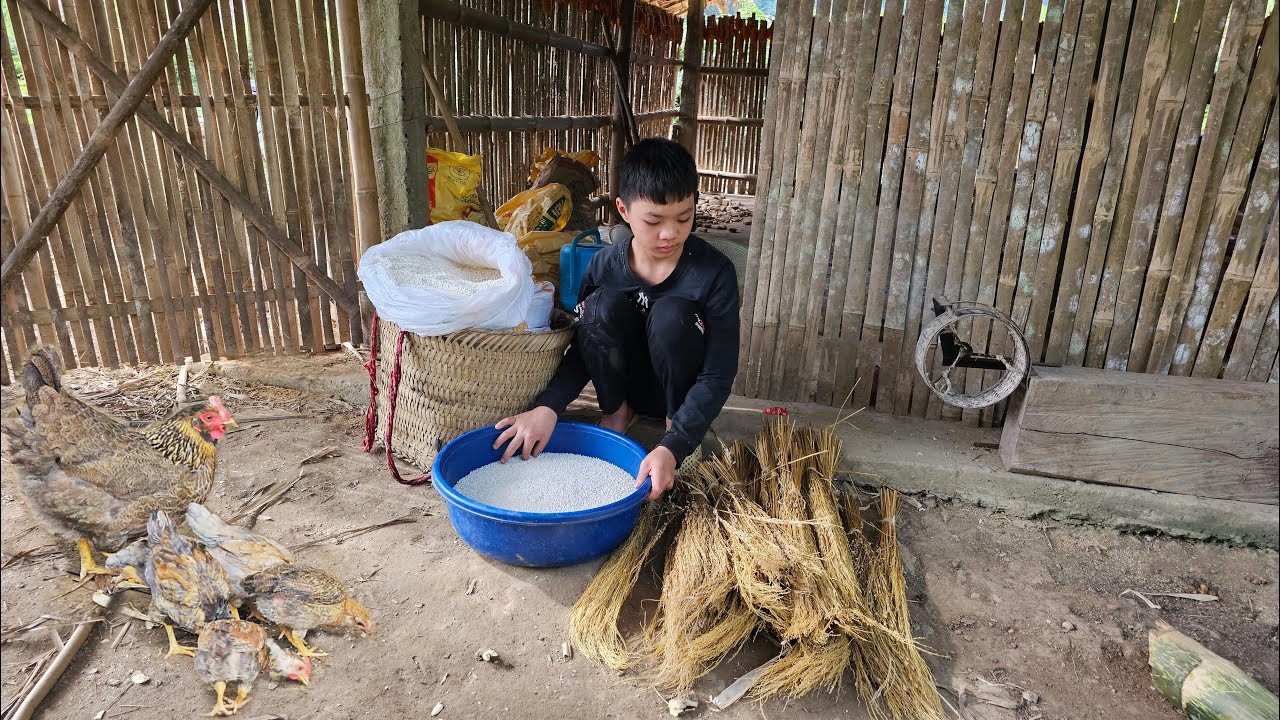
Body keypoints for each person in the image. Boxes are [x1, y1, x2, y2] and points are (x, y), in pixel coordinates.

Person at [492, 138, 740, 501]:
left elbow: (718, 373)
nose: (670, 233)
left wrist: (676, 443)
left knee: (674, 313)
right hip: (622, 385)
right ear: (623, 209)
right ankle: (615, 416)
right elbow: (584, 344)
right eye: (654, 221)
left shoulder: (715, 273)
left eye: (684, 217)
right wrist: (548, 407)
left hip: (681, 398)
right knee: (599, 306)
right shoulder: (604, 266)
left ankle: (672, 431)